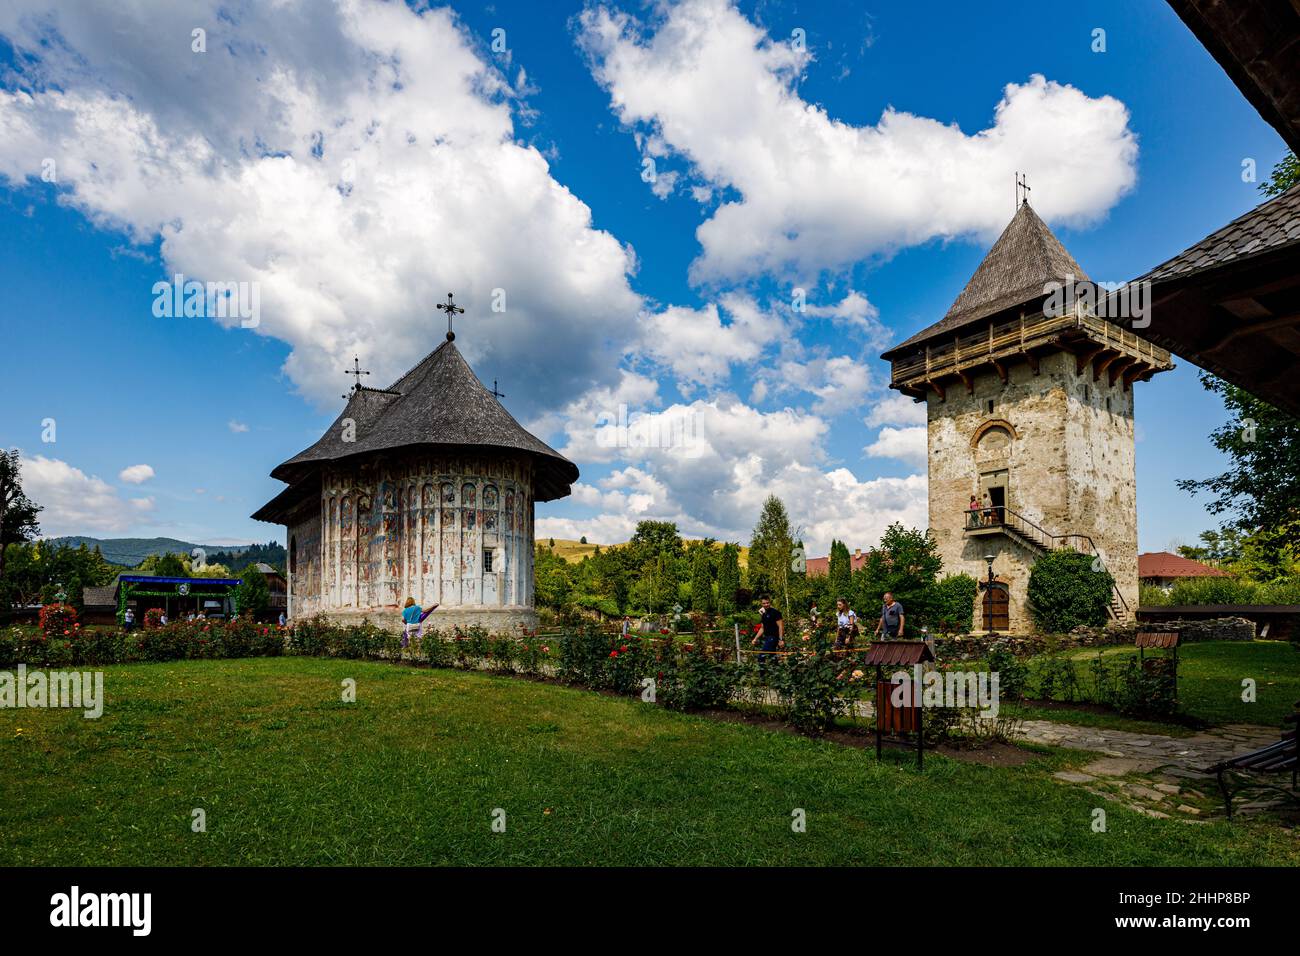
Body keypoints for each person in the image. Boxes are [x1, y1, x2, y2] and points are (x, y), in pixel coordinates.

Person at [749, 594, 784, 666]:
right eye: (764, 603)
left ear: (770, 602)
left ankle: (762, 675)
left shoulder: (775, 613)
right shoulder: (764, 614)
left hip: (773, 637)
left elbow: (781, 626)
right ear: (761, 604)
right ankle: (777, 674)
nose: (766, 604)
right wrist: (755, 639)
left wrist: (780, 639)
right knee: (772, 658)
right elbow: (762, 628)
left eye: (767, 603)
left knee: (761, 656)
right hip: (767, 637)